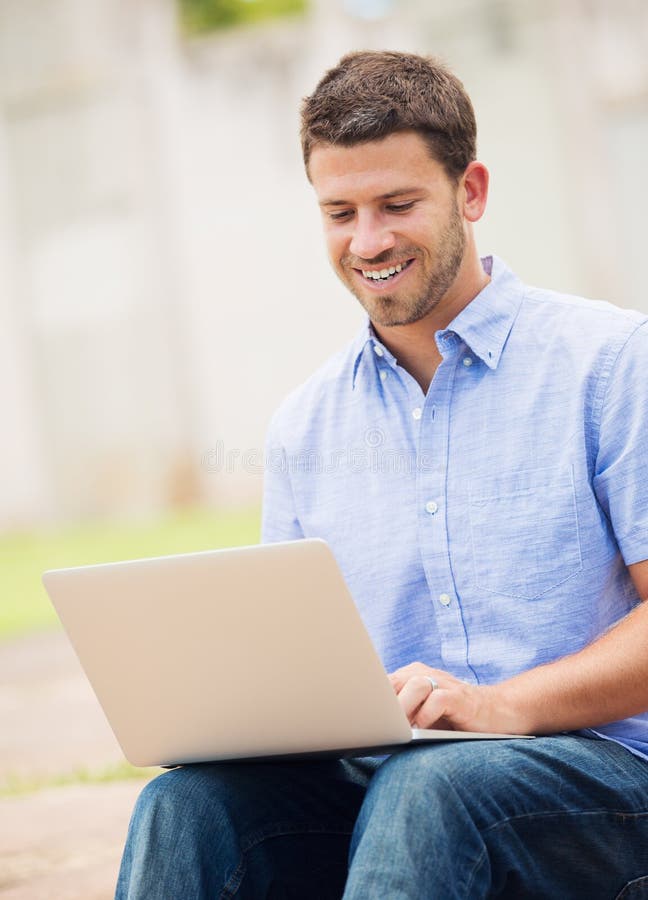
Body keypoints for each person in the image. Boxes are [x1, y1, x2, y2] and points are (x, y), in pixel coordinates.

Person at [116, 50, 648, 899]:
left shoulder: (613, 365)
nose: (368, 242)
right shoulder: (305, 424)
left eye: (397, 205)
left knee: (432, 787)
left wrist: (500, 703)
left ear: (470, 193)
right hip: (390, 789)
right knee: (188, 804)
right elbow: (288, 671)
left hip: (605, 790)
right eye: (340, 212)